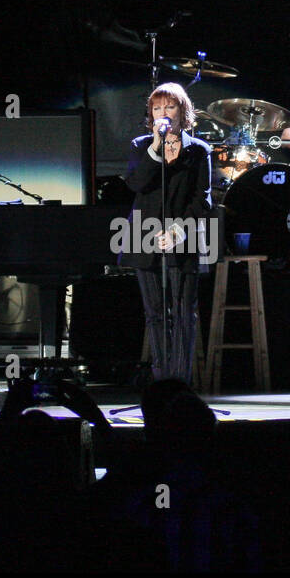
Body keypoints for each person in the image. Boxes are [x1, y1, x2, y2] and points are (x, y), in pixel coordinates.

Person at [121, 83, 213, 382]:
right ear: (151, 114)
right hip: (144, 235)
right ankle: (161, 381)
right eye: (157, 108)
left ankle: (181, 382)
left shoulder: (199, 151)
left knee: (184, 313)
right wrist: (156, 150)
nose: (163, 113)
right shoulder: (140, 146)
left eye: (170, 107)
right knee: (155, 314)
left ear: (182, 112)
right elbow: (137, 183)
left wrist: (177, 230)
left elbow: (203, 198)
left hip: (182, 235)